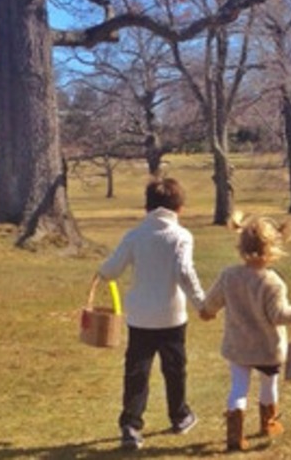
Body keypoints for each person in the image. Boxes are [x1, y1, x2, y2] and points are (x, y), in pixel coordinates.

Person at [96, 177, 206, 451]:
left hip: (140, 317)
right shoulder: (181, 236)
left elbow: (111, 270)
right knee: (175, 369)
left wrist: (101, 270)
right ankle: (180, 415)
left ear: (148, 205)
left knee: (137, 371)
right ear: (178, 207)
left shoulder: (134, 235)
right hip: (171, 316)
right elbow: (184, 272)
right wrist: (201, 302)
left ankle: (131, 425)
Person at [200, 212, 291, 451]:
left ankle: (235, 433)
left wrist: (207, 312)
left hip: (238, 346)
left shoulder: (229, 276)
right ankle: (268, 423)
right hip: (267, 348)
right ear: (273, 248)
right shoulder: (272, 282)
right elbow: (278, 315)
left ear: (241, 247)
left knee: (238, 388)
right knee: (268, 386)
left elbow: (211, 303)